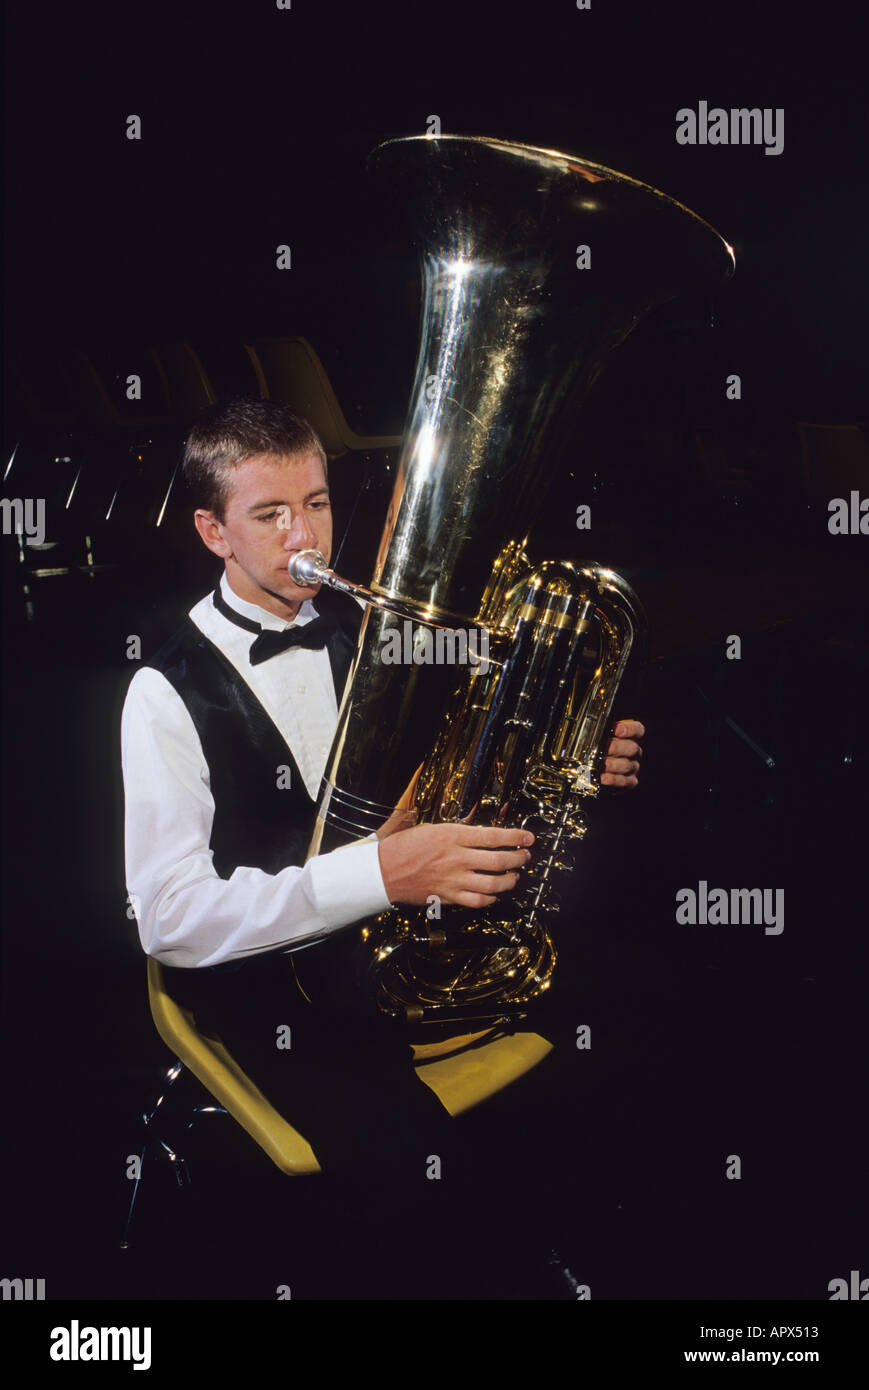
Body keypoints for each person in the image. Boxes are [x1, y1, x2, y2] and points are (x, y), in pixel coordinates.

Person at [121, 397, 644, 1288]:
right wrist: (376, 874)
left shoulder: (369, 627)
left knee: (628, 1014)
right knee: (409, 1171)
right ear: (213, 532)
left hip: (390, 942)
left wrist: (573, 752)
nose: (303, 538)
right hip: (271, 973)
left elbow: (468, 755)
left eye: (317, 504)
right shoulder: (161, 693)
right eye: (269, 514)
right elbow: (168, 922)